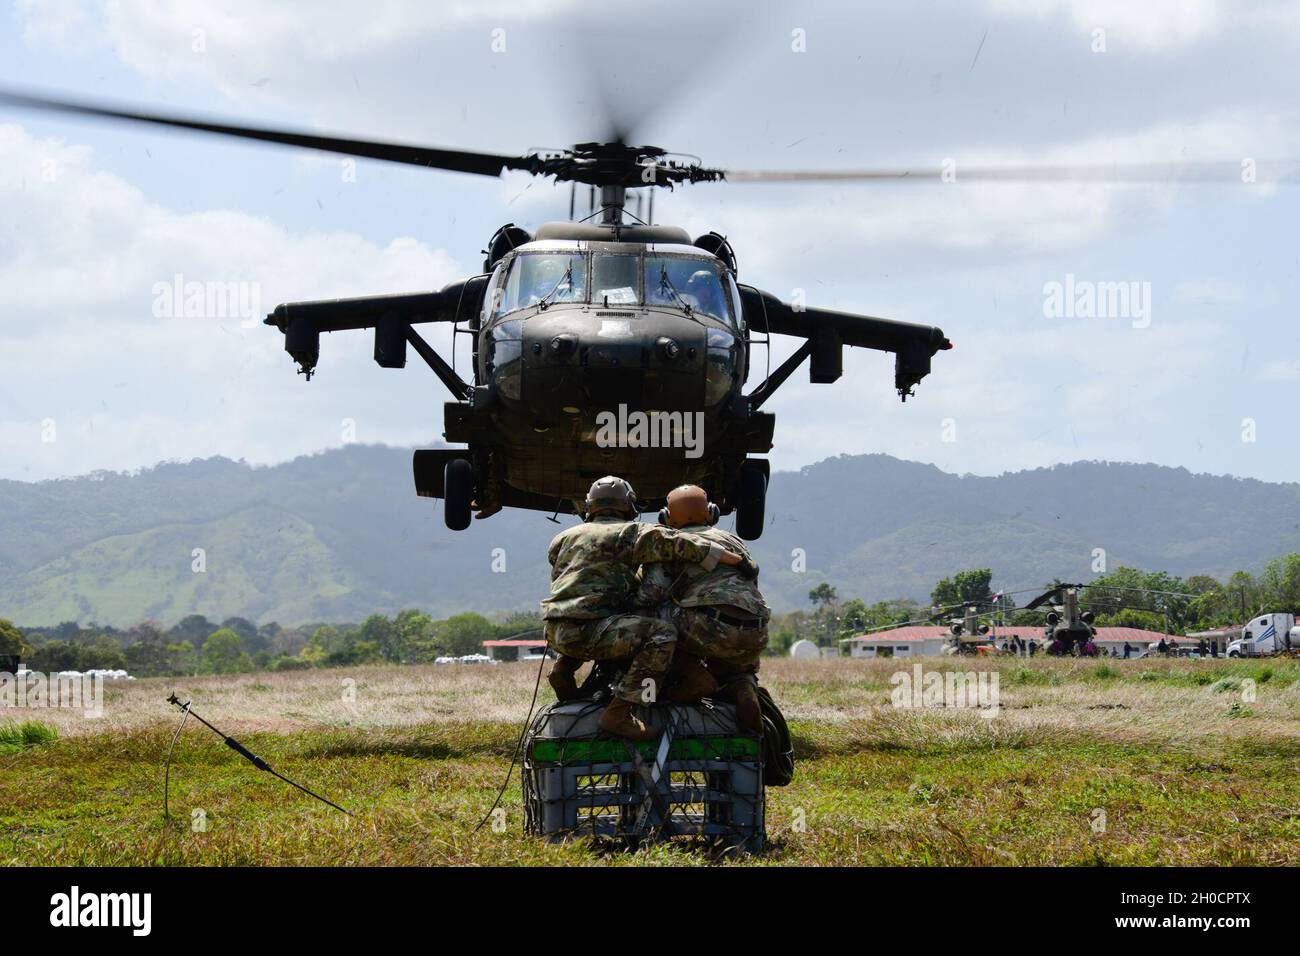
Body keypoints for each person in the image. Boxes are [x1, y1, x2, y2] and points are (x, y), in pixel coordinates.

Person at [541, 476, 746, 741]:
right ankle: (619, 713)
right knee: (661, 634)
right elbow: (678, 544)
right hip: (594, 631)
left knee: (592, 613)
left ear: (588, 508)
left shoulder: (561, 538)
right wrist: (726, 556)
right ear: (630, 508)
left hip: (556, 631)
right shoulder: (634, 532)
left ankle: (562, 672)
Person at [636, 485, 770, 731]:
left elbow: (650, 595)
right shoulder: (734, 542)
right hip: (756, 632)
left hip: (708, 626)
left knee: (650, 621)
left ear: (666, 517)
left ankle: (696, 676)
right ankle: (743, 686)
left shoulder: (672, 543)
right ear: (711, 513)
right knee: (734, 644)